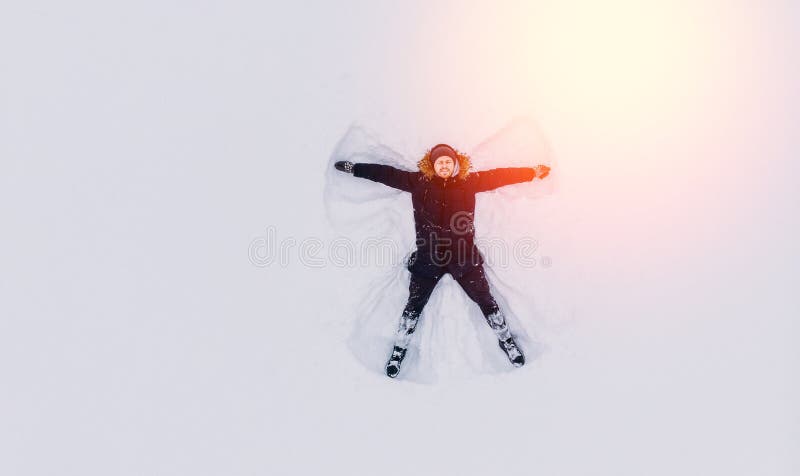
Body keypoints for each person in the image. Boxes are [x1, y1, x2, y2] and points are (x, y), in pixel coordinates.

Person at [334, 143, 550, 378]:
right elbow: (385, 174)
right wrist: (354, 168)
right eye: (440, 163)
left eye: (448, 162)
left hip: (464, 258)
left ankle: (506, 340)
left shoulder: (469, 182)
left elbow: (500, 176)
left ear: (455, 164)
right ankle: (399, 350)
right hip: (429, 258)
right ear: (433, 165)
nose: (444, 166)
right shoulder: (419, 183)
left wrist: (532, 172)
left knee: (486, 300)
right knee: (414, 305)